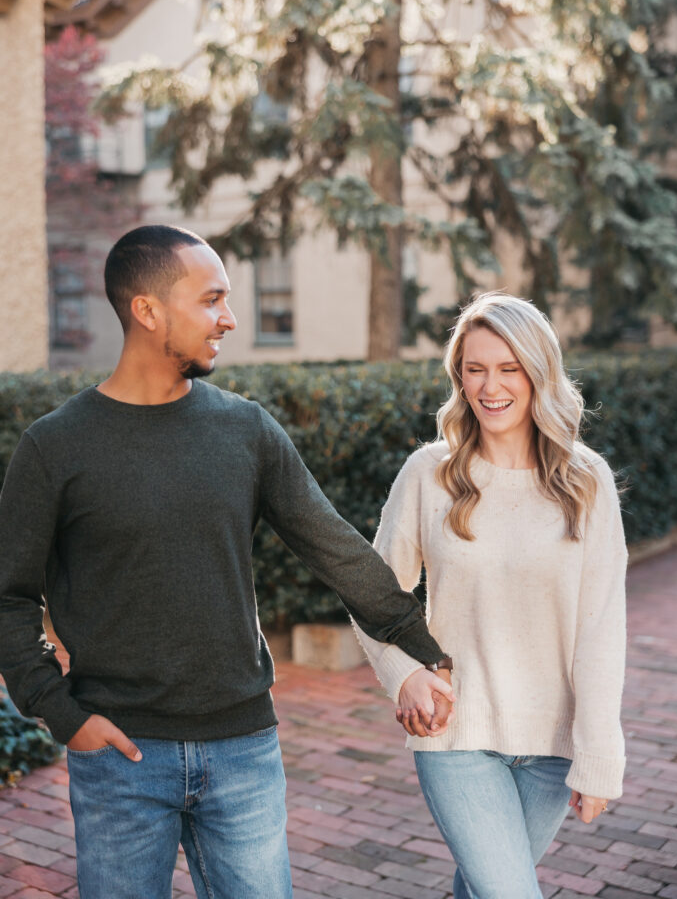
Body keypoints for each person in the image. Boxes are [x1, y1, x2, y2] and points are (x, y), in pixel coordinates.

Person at [0, 225, 454, 899]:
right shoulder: (55, 447)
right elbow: (9, 598)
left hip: (243, 749)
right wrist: (62, 714)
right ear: (148, 311)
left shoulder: (245, 430)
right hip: (120, 757)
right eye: (211, 299)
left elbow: (334, 547)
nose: (230, 319)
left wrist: (428, 652)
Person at [354, 291, 627, 899]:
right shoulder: (429, 474)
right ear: (459, 377)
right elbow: (373, 595)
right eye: (474, 369)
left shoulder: (587, 482)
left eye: (509, 368)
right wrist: (402, 673)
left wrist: (599, 754)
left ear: (539, 373)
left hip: (552, 744)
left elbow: (602, 627)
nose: (490, 386)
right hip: (456, 735)